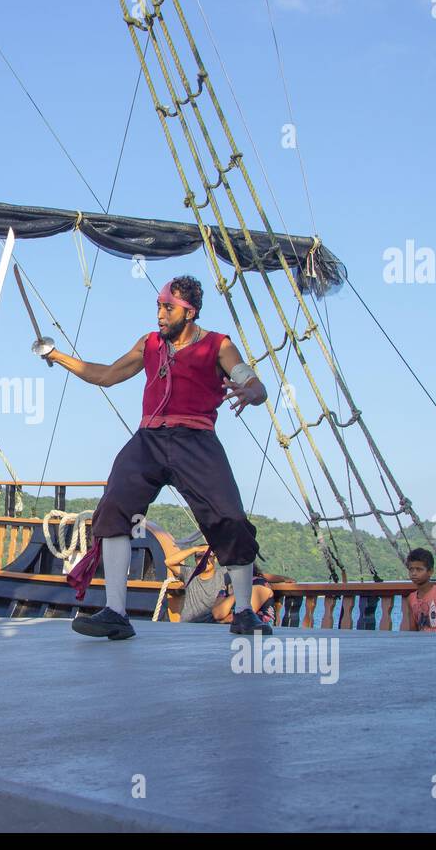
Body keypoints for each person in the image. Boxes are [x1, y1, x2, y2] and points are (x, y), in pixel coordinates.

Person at [45, 274, 269, 639]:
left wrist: (253, 391)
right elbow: (105, 375)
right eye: (159, 307)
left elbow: (254, 384)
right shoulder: (149, 343)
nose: (161, 315)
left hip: (196, 440)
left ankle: (244, 612)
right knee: (114, 507)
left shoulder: (218, 345)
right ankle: (116, 612)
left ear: (190, 311)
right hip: (149, 438)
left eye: (169, 308)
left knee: (230, 518)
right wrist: (56, 356)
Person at [400, 547, 436, 632]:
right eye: (411, 569)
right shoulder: (411, 598)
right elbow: (413, 628)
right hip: (422, 643)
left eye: (419, 569)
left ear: (430, 572)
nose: (414, 573)